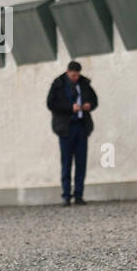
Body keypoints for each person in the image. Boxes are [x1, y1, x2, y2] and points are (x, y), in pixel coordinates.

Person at [46, 61, 99, 206]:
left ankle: (79, 195)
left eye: (77, 75)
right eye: (73, 75)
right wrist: (70, 108)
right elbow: (51, 104)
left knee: (81, 162)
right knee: (67, 162)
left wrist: (89, 105)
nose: (76, 77)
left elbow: (95, 100)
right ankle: (66, 196)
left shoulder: (84, 84)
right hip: (66, 128)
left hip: (81, 126)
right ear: (68, 72)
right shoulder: (58, 84)